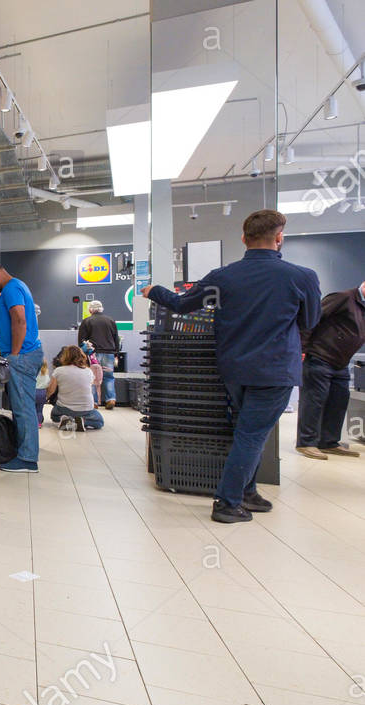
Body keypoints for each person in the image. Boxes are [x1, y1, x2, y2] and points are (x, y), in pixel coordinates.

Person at [145, 209, 321, 523]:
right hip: (275, 369)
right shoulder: (302, 277)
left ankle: (247, 491)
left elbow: (183, 305)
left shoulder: (222, 277)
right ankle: (226, 503)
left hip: (234, 368)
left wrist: (154, 291)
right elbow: (309, 321)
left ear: (244, 238)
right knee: (252, 435)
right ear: (279, 238)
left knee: (248, 431)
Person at [0, 263, 44, 473]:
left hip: (22, 356)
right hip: (24, 354)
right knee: (20, 408)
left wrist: (14, 354)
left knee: (23, 409)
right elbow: (12, 322)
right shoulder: (16, 286)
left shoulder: (11, 289)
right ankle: (24, 452)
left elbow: (19, 320)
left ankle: (27, 459)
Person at [296, 282, 365, 459]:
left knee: (339, 400)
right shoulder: (343, 297)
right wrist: (302, 349)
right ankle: (307, 443)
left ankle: (328, 442)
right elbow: (312, 320)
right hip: (319, 357)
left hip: (340, 363)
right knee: (313, 400)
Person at [47, 345, 105, 431]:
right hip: (85, 410)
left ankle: (68, 421)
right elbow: (90, 385)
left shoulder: (59, 371)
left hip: (64, 409)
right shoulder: (88, 371)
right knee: (99, 422)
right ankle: (83, 421)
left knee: (54, 416)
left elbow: (50, 391)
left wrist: (45, 398)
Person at [77, 300, 121, 408]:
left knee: (92, 377)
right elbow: (116, 338)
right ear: (101, 308)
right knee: (109, 377)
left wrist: (81, 352)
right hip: (109, 353)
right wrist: (116, 353)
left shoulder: (87, 321)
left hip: (93, 354)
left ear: (90, 310)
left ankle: (94, 402)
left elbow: (81, 340)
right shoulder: (111, 320)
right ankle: (110, 399)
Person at [34, 358, 51, 428]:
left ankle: (32, 422)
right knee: (39, 410)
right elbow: (48, 384)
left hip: (33, 391)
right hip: (42, 393)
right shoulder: (46, 373)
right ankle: (39, 423)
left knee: (32, 409)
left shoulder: (33, 372)